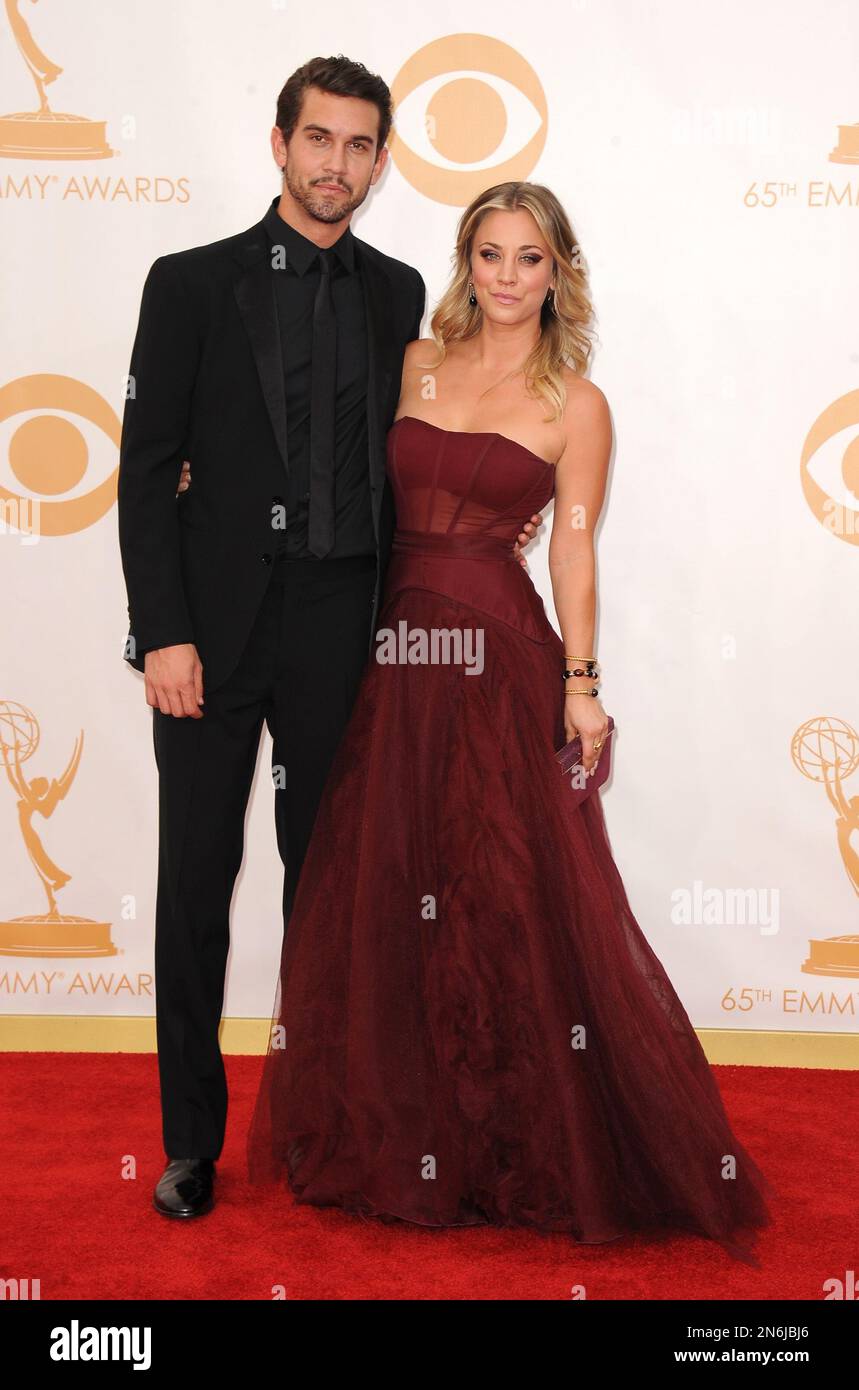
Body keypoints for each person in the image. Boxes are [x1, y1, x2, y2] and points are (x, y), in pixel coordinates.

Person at [246, 179, 776, 1266]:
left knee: (502, 897)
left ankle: (511, 1141)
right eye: (488, 253)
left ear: (557, 271)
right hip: (392, 655)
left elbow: (572, 546)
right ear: (465, 262)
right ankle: (399, 1134)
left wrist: (581, 682)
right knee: (389, 884)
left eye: (527, 257)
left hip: (496, 653)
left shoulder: (574, 402)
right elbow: (339, 476)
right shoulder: (415, 363)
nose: (504, 275)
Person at [117, 53, 546, 1220]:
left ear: (381, 160)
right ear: (279, 144)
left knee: (337, 895)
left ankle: (321, 1125)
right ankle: (193, 1145)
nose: (336, 164)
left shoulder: (399, 293)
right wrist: (162, 633)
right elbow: (148, 472)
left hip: (343, 635)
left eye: (360, 146)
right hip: (208, 638)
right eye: (319, 140)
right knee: (195, 882)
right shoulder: (190, 283)